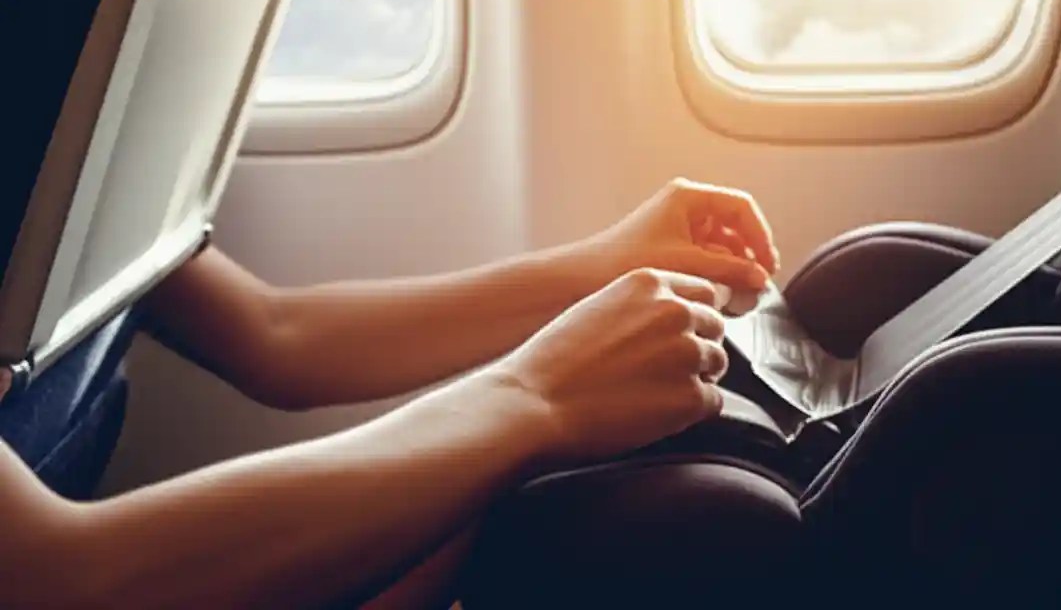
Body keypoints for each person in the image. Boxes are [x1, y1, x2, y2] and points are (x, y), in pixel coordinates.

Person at [0, 178, 780, 609]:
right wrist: (536, 398)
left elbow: (278, 337)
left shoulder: (66, 144)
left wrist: (600, 265)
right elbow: (58, 580)